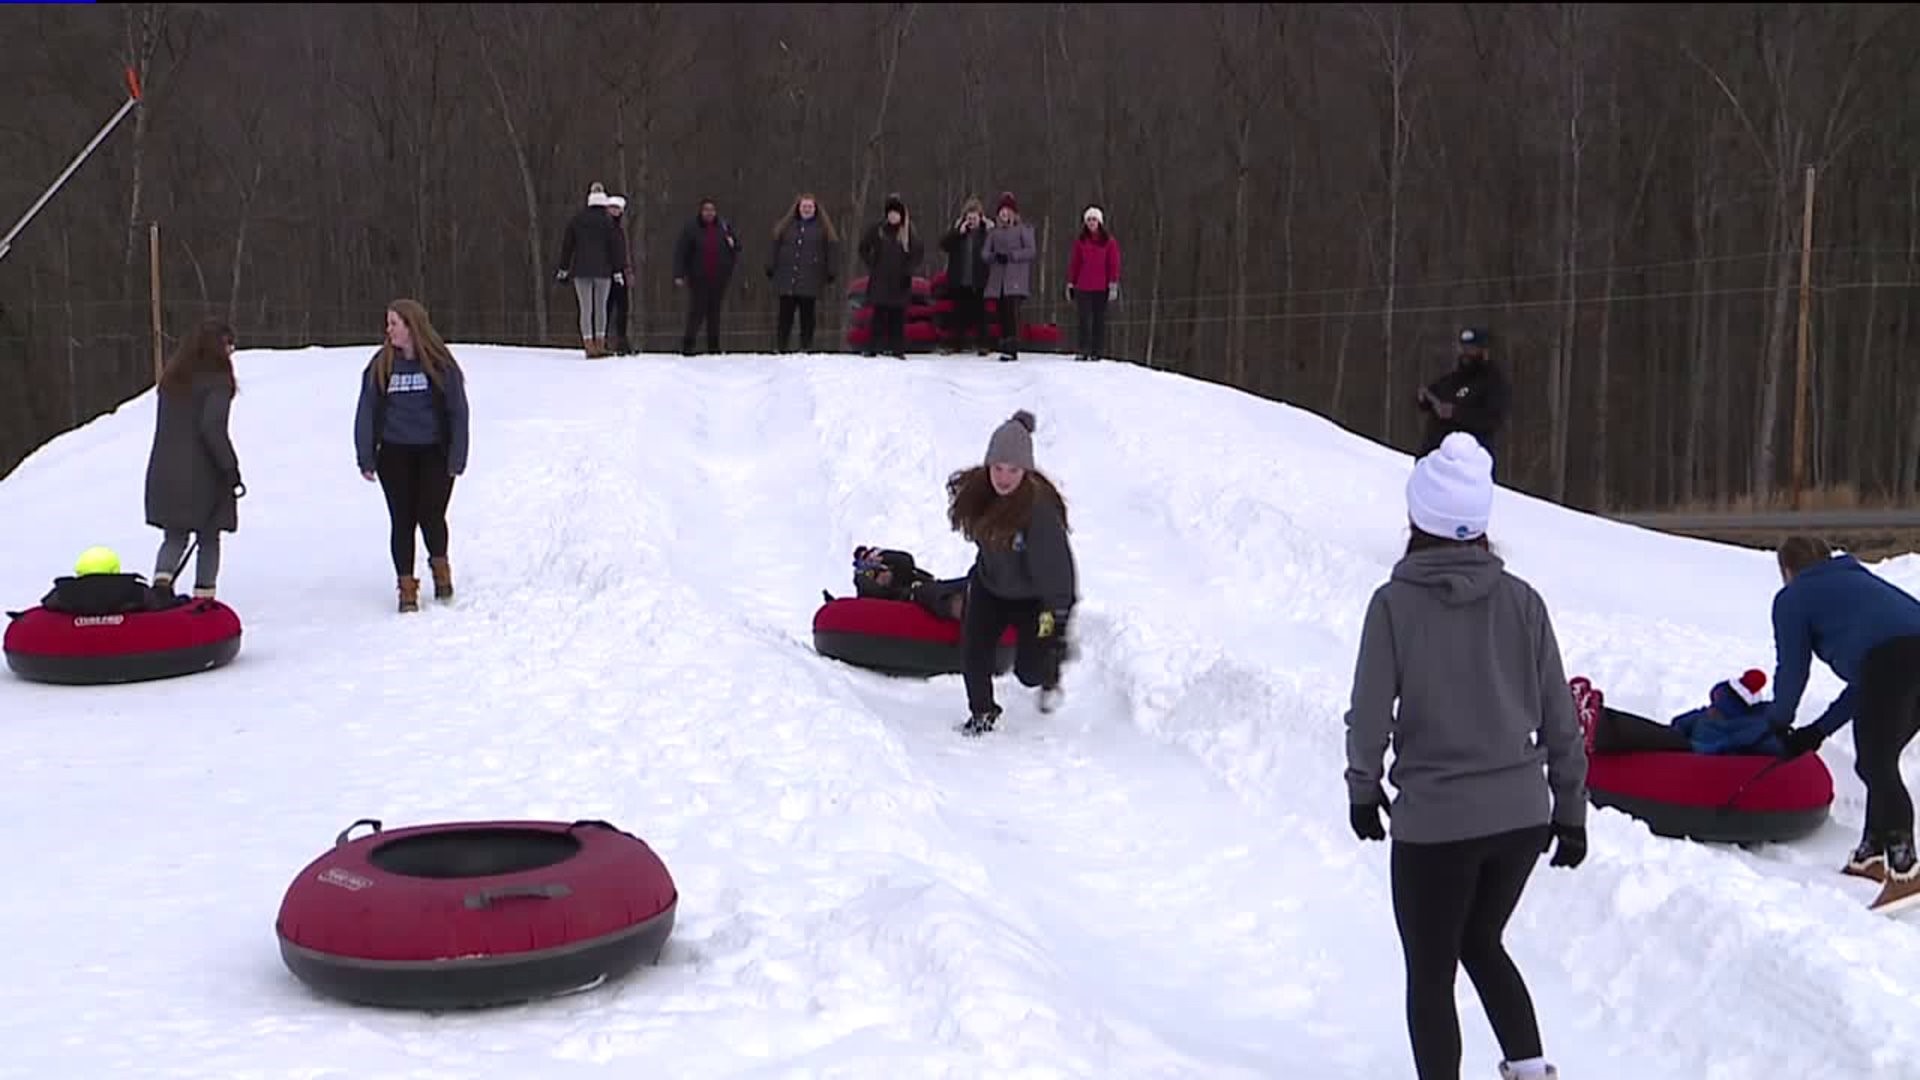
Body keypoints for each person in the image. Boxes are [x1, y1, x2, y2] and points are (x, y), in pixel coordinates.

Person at [1344, 431, 1586, 1080]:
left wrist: (1362, 789)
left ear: (1417, 521)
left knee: (1430, 971)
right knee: (1481, 941)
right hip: (1520, 818)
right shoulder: (1523, 601)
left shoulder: (1394, 605)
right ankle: (1532, 1071)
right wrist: (1571, 811)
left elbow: (1370, 713)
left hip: (1438, 824)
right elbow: (1561, 718)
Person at [1762, 536, 1920, 909]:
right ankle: (1871, 855)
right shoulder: (1855, 582)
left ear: (1787, 570)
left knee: (1876, 763)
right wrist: (1818, 731)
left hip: (1895, 664)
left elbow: (1793, 670)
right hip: (1902, 660)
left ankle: (1906, 868)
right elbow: (1869, 684)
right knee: (1877, 760)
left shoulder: (1794, 597)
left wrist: (1776, 723)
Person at [945, 410, 1077, 735]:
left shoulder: (1039, 511)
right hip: (990, 588)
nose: (1003, 478)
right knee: (973, 650)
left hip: (1036, 602)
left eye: (1013, 470)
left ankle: (1049, 665)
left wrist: (1055, 622)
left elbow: (1057, 574)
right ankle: (982, 712)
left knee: (1030, 671)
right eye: (997, 468)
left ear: (1026, 470)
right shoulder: (980, 493)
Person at [353, 299, 471, 613]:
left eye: (394, 323)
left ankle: (440, 568)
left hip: (434, 451)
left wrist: (457, 455)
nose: (388, 329)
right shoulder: (381, 365)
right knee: (402, 519)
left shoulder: (440, 364)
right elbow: (366, 411)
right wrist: (365, 455)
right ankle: (406, 586)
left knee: (431, 515)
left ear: (411, 326)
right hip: (394, 453)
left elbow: (457, 411)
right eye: (388, 323)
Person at [144, 316, 242, 599]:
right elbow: (212, 428)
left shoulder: (172, 379)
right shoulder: (218, 382)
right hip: (203, 476)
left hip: (164, 472)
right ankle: (204, 600)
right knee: (209, 536)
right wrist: (230, 468)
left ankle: (160, 590)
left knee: (174, 536)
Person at [554, 181, 626, 358]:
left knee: (585, 309)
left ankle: (588, 344)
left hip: (581, 270)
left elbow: (568, 246)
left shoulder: (577, 219)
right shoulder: (608, 222)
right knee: (601, 308)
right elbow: (614, 248)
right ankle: (600, 343)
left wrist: (563, 269)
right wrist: (618, 271)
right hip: (603, 270)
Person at [1417, 328, 1510, 457]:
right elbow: (1433, 394)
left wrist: (1456, 413)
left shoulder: (1493, 382)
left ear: (1483, 351)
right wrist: (1424, 399)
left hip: (1467, 462)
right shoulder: (1453, 378)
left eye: (1471, 349)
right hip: (1435, 458)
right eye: (1463, 348)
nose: (1465, 353)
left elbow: (1492, 418)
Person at [767, 192, 839, 352]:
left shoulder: (823, 229)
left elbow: (831, 250)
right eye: (804, 206)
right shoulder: (786, 227)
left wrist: (831, 271)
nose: (807, 209)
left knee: (808, 315)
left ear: (815, 209)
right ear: (798, 208)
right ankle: (781, 346)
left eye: (810, 207)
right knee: (785, 315)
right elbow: (774, 247)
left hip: (810, 278)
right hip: (787, 277)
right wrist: (771, 266)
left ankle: (806, 346)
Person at [857, 193, 925, 359]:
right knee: (878, 316)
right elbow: (863, 247)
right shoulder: (878, 229)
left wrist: (908, 270)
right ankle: (872, 347)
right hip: (880, 279)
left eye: (896, 213)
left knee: (898, 317)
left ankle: (898, 349)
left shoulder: (908, 232)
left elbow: (917, 253)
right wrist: (872, 263)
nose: (893, 216)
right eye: (890, 212)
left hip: (900, 280)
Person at [672, 196, 739, 355]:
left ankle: (713, 346)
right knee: (697, 311)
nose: (709, 213)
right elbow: (681, 252)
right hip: (698, 277)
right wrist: (679, 274)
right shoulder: (691, 228)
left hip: (719, 277)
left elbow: (736, 246)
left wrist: (733, 245)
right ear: (701, 211)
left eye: (712, 210)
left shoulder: (723, 226)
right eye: (706, 210)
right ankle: (688, 345)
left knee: (715, 312)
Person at [979, 191, 1035, 362]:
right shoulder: (994, 233)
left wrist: (1012, 256)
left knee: (1012, 313)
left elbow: (1031, 251)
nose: (1004, 214)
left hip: (1015, 278)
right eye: (1002, 211)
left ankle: (1012, 347)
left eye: (1007, 211)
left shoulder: (1022, 230)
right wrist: (993, 257)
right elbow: (984, 253)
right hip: (998, 279)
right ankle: (1004, 345)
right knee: (1002, 312)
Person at [1065, 205, 1120, 361]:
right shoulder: (1081, 241)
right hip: (1083, 286)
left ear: (1099, 222)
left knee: (1099, 319)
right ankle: (1083, 349)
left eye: (1094, 219)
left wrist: (1113, 284)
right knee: (1083, 319)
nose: (1091, 223)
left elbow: (1113, 264)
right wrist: (1071, 283)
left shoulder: (1109, 242)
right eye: (1089, 220)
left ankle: (1097, 350)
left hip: (1101, 287)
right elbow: (1075, 263)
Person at [939, 196, 992, 354]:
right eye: (969, 218)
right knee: (958, 314)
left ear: (980, 217)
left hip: (979, 279)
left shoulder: (985, 232)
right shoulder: (959, 231)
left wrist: (990, 230)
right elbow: (944, 245)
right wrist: (957, 233)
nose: (972, 221)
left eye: (974, 218)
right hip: (959, 279)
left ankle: (983, 344)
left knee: (981, 314)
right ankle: (956, 343)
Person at [605, 194, 633, 355]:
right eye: (612, 208)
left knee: (623, 308)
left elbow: (623, 251)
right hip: (608, 272)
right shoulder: (606, 227)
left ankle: (622, 341)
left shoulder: (620, 228)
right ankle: (605, 340)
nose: (615, 211)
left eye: (617, 209)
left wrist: (627, 269)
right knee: (607, 308)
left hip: (620, 271)